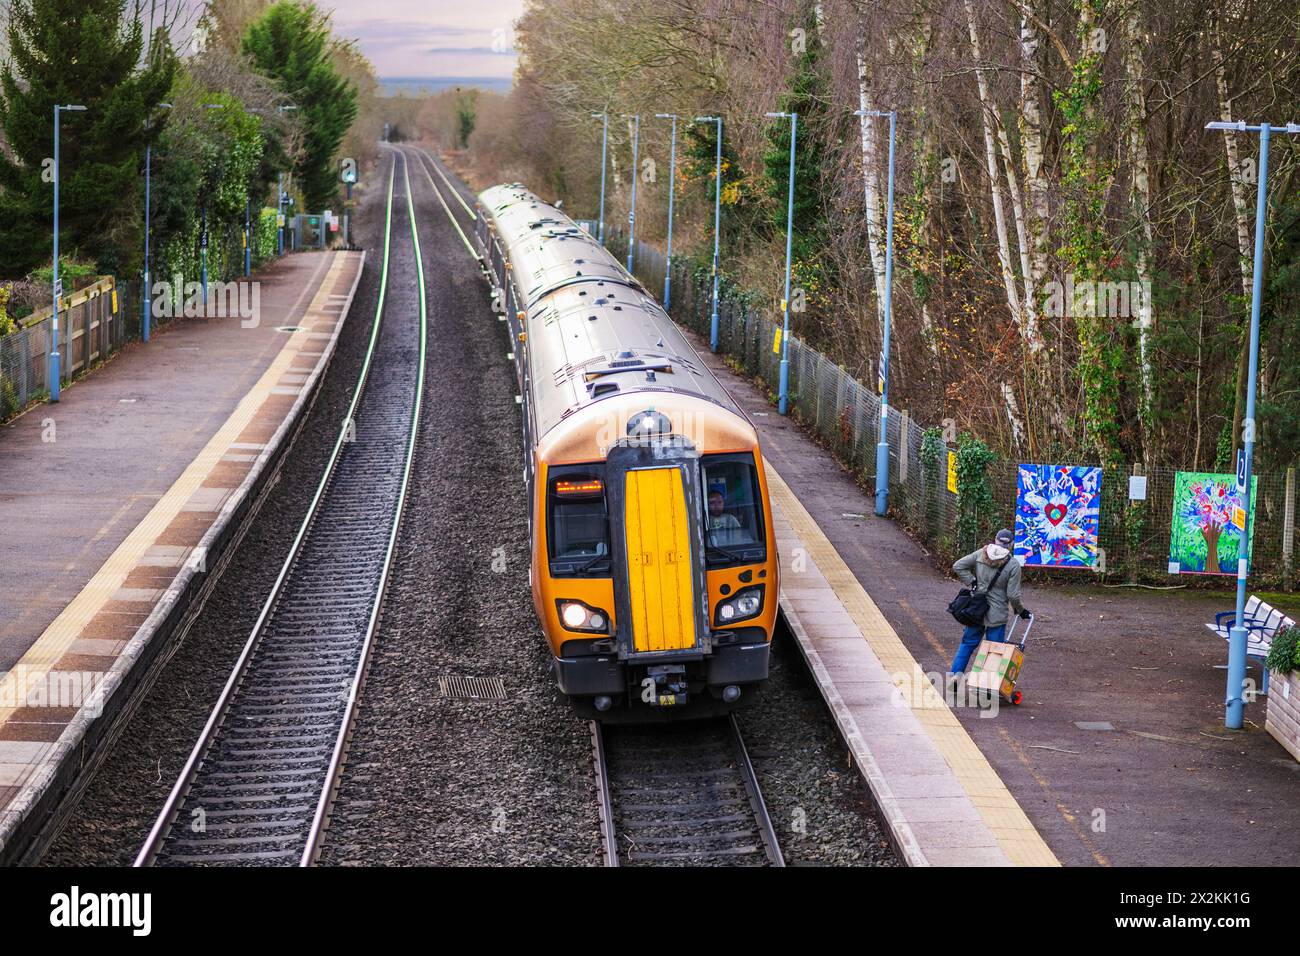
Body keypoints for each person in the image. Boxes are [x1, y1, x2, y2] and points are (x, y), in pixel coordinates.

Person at [949, 528, 1030, 675]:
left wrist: (972, 582)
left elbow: (958, 565)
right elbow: (1013, 595)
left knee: (967, 644)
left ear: (995, 540)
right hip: (997, 615)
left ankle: (954, 678)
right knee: (994, 652)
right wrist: (1020, 610)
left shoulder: (981, 553)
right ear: (1011, 544)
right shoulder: (1013, 565)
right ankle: (986, 687)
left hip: (975, 610)